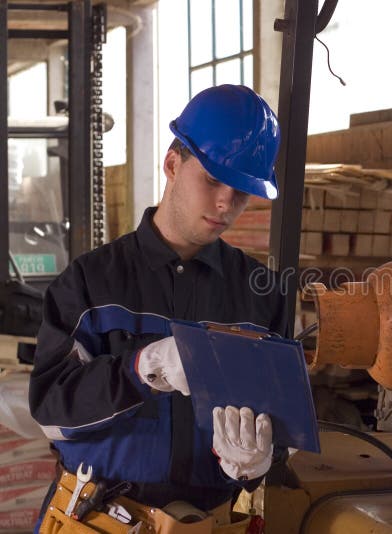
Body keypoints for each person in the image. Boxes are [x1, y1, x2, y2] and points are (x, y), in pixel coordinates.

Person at [29, 84, 286, 533]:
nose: (226, 203)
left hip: (215, 522)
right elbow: (52, 410)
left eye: (241, 191)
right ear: (172, 164)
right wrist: (141, 368)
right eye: (212, 180)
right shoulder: (90, 283)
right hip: (98, 520)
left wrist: (257, 460)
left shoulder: (261, 295)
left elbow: (284, 424)